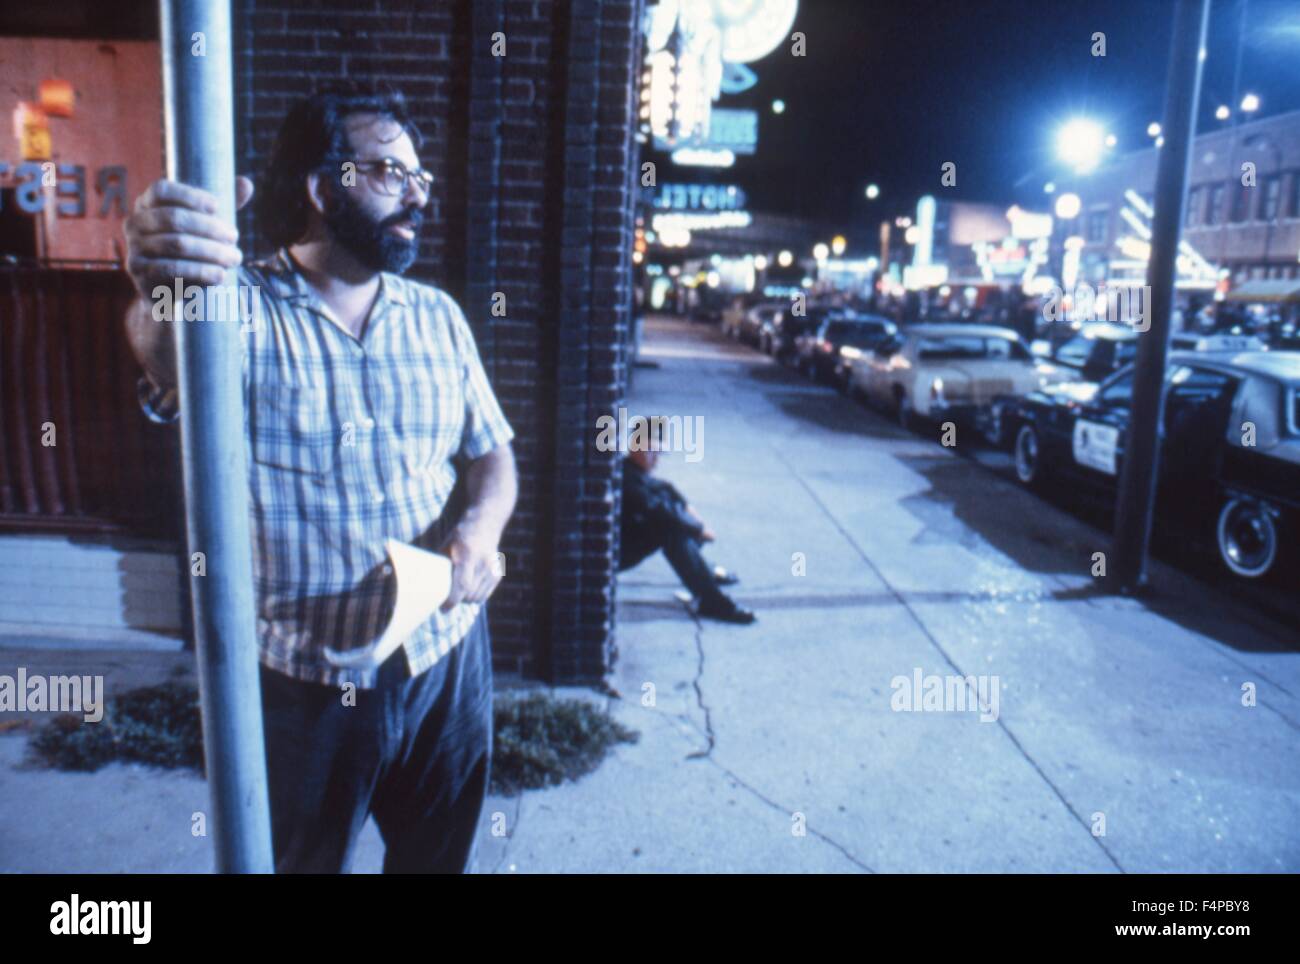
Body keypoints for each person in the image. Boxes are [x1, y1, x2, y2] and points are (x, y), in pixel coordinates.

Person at [122, 85, 518, 873]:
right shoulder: (239, 310)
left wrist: (480, 530)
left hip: (446, 658)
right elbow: (161, 351)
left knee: (438, 860)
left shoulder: (435, 315)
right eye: (390, 173)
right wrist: (157, 285)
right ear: (322, 187)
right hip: (308, 686)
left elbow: (493, 455)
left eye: (421, 179)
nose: (417, 195)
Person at [619, 449, 755, 625]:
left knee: (674, 516)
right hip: (613, 556)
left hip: (616, 546)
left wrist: (692, 517)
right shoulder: (628, 479)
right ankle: (712, 601)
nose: (656, 461)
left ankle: (704, 572)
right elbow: (659, 511)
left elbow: (665, 489)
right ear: (635, 449)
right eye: (652, 453)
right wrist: (698, 529)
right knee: (671, 530)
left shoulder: (629, 470)